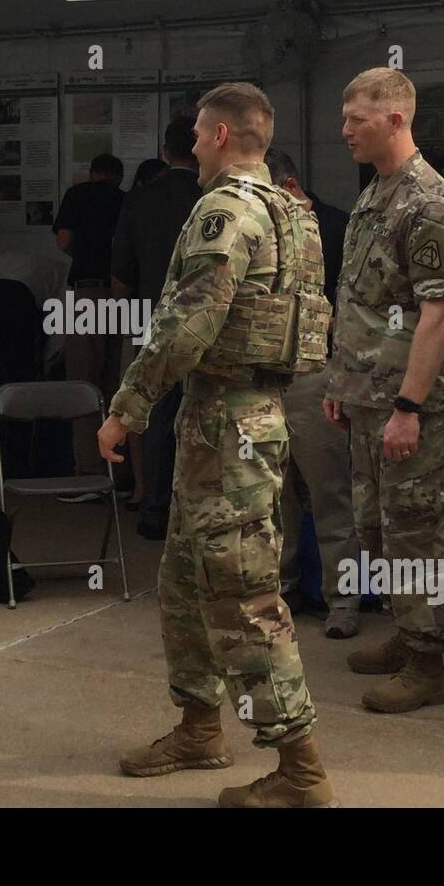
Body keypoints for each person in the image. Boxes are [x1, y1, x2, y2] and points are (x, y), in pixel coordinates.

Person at [98, 83, 337, 809]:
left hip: (227, 426)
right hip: (240, 419)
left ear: (226, 134)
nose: (192, 147)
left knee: (242, 597)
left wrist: (127, 408)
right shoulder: (294, 210)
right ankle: (201, 726)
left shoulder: (226, 209)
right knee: (184, 584)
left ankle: (300, 769)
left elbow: (189, 325)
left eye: (200, 135)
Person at [323, 67, 444, 714]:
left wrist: (409, 409)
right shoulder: (376, 193)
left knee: (414, 532)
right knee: (377, 529)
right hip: (368, 399)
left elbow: (437, 316)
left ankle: (428, 663)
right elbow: (357, 301)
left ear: (395, 119)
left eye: (356, 118)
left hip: (416, 405)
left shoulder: (429, 204)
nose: (345, 129)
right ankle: (407, 635)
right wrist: (340, 381)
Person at [264, 148, 362, 637]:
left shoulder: (340, 229)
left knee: (330, 497)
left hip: (317, 375)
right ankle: (282, 593)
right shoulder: (258, 231)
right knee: (274, 497)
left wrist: (343, 378)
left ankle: (343, 602)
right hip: (267, 377)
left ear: (289, 186)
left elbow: (355, 310)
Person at [110, 118, 201, 538]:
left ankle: (154, 508)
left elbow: (121, 275)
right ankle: (198, 515)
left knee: (155, 414)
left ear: (165, 152)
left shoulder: (140, 200)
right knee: (206, 411)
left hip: (152, 320)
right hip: (210, 325)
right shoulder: (215, 196)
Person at [54, 154, 125, 481]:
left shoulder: (77, 195)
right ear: (118, 177)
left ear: (93, 172)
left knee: (83, 384)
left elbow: (64, 241)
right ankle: (121, 472)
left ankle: (89, 473)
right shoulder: (127, 201)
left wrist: (85, 255)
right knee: (119, 383)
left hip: (86, 293)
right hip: (126, 296)